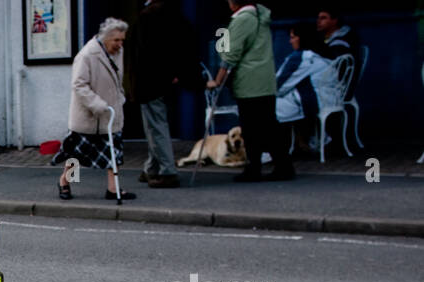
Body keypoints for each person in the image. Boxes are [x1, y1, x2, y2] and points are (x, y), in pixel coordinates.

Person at [207, 2, 294, 182]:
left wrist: (217, 80)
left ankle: (255, 168)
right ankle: (281, 165)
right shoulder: (260, 17)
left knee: (252, 128)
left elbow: (230, 54)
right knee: (268, 125)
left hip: (249, 82)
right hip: (264, 81)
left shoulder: (242, 20)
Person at [56, 18, 134, 201]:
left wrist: (119, 98)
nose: (120, 44)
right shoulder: (87, 55)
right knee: (76, 155)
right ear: (105, 38)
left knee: (113, 154)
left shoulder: (117, 52)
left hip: (110, 114)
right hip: (88, 116)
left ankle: (113, 189)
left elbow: (117, 80)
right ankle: (65, 182)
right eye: (116, 40)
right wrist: (97, 104)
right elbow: (79, 85)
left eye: (122, 40)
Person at [127, 0, 199, 188]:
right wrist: (177, 74)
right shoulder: (174, 15)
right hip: (165, 81)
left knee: (155, 127)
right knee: (156, 125)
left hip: (149, 82)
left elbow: (143, 53)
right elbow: (188, 44)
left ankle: (168, 171)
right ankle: (151, 167)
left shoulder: (147, 17)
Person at [275, 23, 329, 156]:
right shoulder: (323, 52)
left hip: (310, 102)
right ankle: (299, 142)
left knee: (261, 106)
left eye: (293, 37)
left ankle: (269, 151)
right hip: (327, 99)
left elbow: (279, 86)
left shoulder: (301, 57)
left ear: (302, 38)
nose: (290, 41)